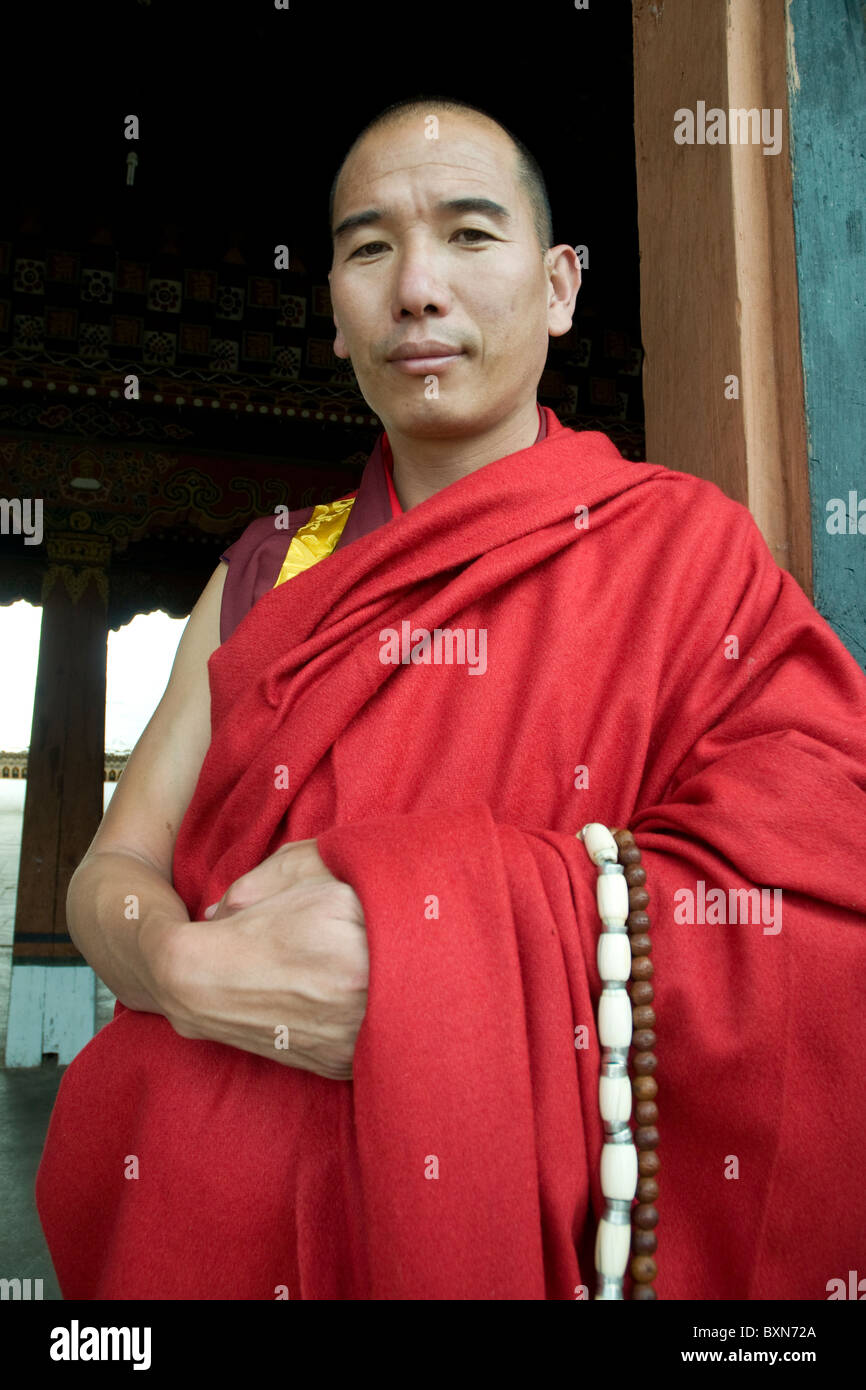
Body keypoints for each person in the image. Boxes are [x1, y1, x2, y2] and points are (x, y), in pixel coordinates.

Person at [36, 94, 866, 1301]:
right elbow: (112, 868)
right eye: (369, 247)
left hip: (531, 1227)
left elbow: (816, 888)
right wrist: (180, 969)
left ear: (559, 285)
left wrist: (443, 945)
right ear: (332, 307)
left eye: (471, 236)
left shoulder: (683, 554)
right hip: (212, 1230)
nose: (416, 288)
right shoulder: (271, 568)